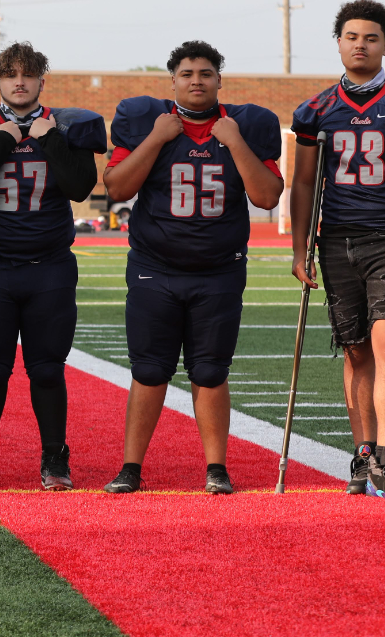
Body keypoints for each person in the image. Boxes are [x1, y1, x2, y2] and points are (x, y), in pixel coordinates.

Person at [102, 40, 282, 495]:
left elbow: (266, 196)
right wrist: (156, 138)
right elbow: (117, 189)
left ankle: (216, 468)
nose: (196, 81)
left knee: (210, 371)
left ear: (219, 80)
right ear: (173, 81)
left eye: (205, 73)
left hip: (218, 270)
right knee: (149, 369)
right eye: (187, 74)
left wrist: (234, 141)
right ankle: (130, 468)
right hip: (155, 267)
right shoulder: (147, 120)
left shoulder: (245, 126)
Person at [290, 0, 385, 503]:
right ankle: (363, 451)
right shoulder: (316, 110)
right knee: (356, 349)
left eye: (371, 38)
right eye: (352, 37)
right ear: (338, 42)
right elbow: (305, 182)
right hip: (337, 239)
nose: (361, 45)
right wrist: (299, 247)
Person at [0, 42, 104, 491]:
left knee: (47, 368)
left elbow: (79, 187)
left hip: (49, 265)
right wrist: (4, 139)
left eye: (28, 74)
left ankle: (55, 457)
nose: (20, 81)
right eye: (11, 74)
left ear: (41, 81)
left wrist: (48, 138)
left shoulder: (67, 127)